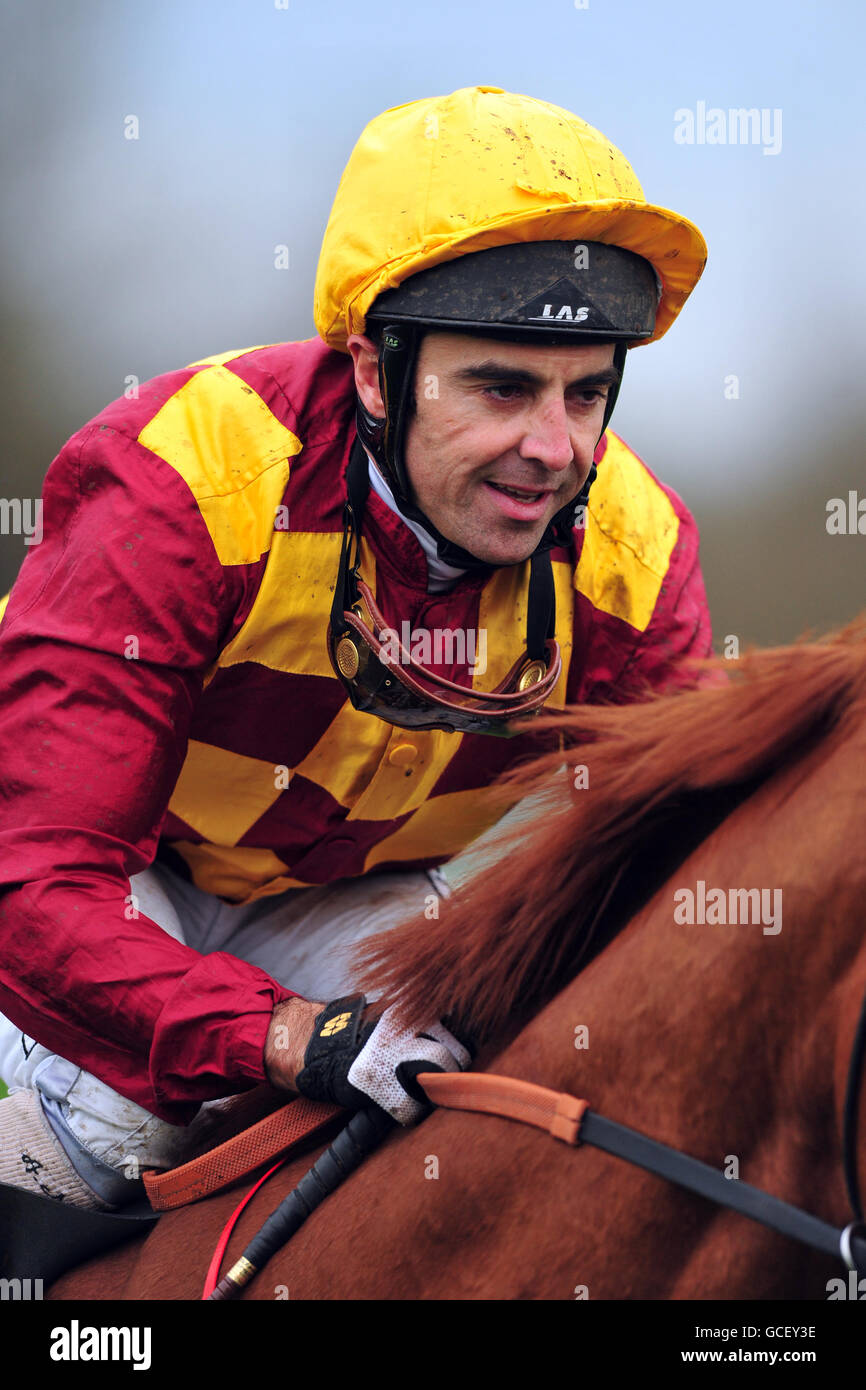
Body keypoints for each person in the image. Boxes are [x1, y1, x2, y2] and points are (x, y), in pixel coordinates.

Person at [0, 86, 710, 1211]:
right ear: (377, 371)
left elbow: (693, 872)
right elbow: (37, 882)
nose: (551, 448)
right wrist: (282, 1037)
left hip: (344, 896)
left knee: (502, 1088)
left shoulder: (637, 556)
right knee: (115, 1122)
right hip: (101, 878)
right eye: (499, 386)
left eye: (586, 395)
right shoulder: (179, 480)